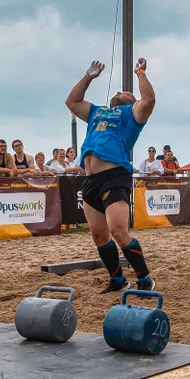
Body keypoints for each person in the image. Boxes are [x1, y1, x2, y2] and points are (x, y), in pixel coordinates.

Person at [66, 58, 156, 294]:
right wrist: (88, 77)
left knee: (118, 231)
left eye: (126, 92)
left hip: (115, 175)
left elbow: (149, 100)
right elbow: (72, 101)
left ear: (131, 101)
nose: (121, 91)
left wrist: (141, 72)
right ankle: (117, 280)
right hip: (91, 181)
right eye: (120, 90)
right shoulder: (97, 112)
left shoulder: (131, 115)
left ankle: (144, 279)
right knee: (98, 234)